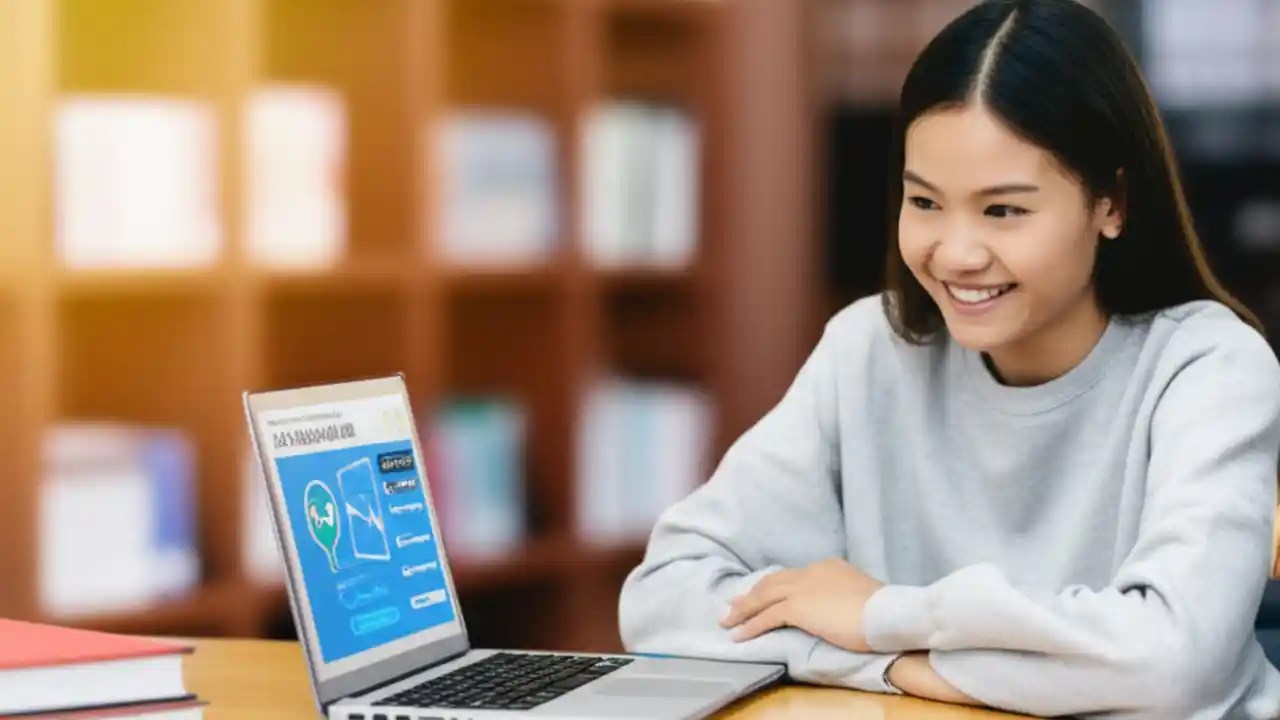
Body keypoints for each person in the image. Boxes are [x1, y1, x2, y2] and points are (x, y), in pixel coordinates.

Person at [616, 0, 1280, 717]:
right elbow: (663, 600)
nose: (957, 253)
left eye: (1003, 211)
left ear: (1110, 203)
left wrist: (881, 618)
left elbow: (1173, 664)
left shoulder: (1209, 367)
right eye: (926, 202)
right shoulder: (869, 350)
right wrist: (902, 669)